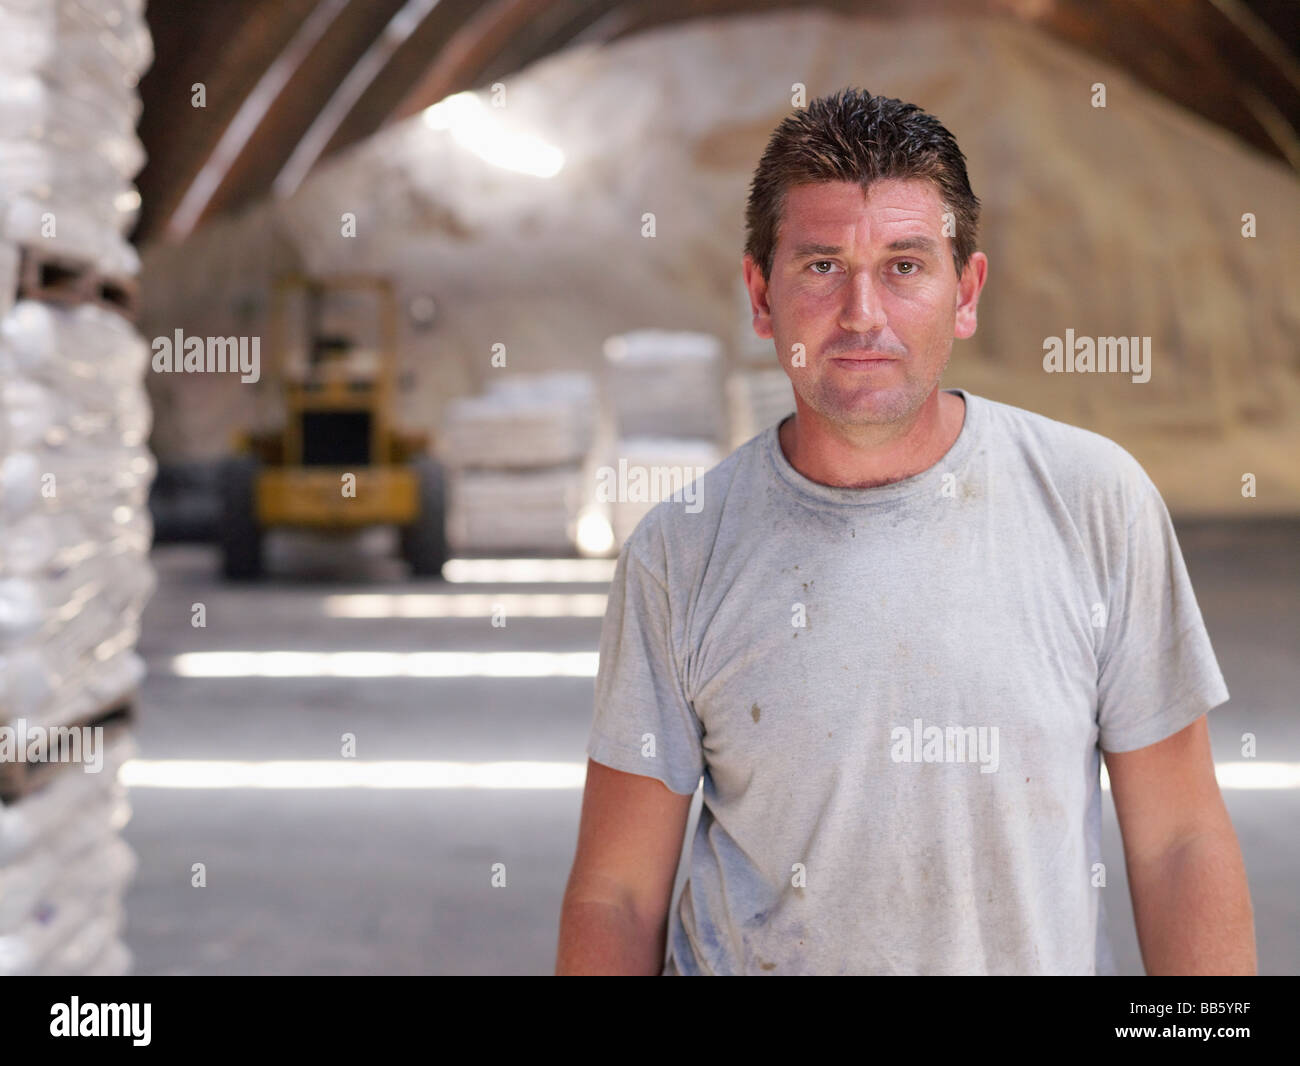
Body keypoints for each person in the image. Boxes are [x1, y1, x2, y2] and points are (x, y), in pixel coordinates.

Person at [555, 87, 1255, 976]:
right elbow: (617, 894)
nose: (862, 315)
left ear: (965, 293)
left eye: (904, 265)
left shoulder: (1094, 503)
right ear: (760, 294)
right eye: (820, 266)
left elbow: (1179, 841)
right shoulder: (680, 551)